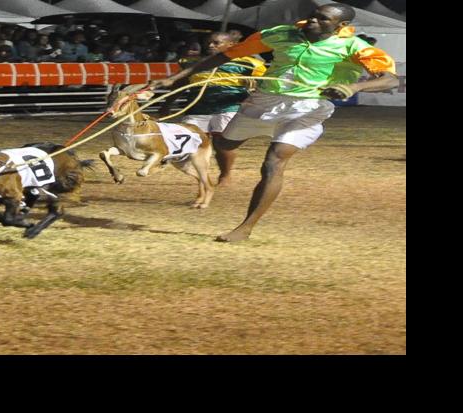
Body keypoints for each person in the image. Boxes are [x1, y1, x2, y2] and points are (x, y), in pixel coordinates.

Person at [150, 3, 397, 242]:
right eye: (314, 15)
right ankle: (223, 163)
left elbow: (390, 80)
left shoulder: (355, 47)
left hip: (307, 108)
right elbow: (224, 56)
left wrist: (354, 86)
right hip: (263, 102)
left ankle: (245, 228)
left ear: (341, 25)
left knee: (274, 161)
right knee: (224, 143)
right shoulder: (280, 34)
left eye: (323, 19)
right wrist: (175, 78)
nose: (313, 20)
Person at [172, 31, 265, 184]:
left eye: (216, 43)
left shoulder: (249, 63)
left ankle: (225, 175)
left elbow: (267, 85)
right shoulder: (191, 63)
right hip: (197, 108)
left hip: (229, 106)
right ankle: (200, 175)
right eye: (208, 42)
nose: (210, 46)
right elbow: (179, 84)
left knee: (222, 143)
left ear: (231, 45)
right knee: (191, 141)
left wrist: (255, 85)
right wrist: (167, 104)